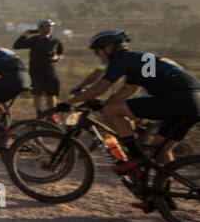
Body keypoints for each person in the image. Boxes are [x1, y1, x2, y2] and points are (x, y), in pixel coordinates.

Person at [63, 30, 200, 175]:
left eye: (97, 51)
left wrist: (68, 103)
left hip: (178, 98)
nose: (97, 55)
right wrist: (104, 104)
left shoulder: (121, 59)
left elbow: (99, 88)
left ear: (109, 47)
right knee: (159, 151)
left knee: (112, 111)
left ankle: (136, 156)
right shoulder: (136, 59)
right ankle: (163, 187)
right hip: (195, 101)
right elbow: (128, 89)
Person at [14, 19, 64, 117]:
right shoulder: (34, 40)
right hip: (35, 70)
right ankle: (40, 114)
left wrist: (56, 58)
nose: (49, 29)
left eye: (50, 27)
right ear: (40, 28)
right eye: (46, 27)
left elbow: (60, 54)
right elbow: (17, 46)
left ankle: (51, 115)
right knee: (37, 93)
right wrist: (25, 35)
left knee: (51, 93)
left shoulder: (55, 41)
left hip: (49, 69)